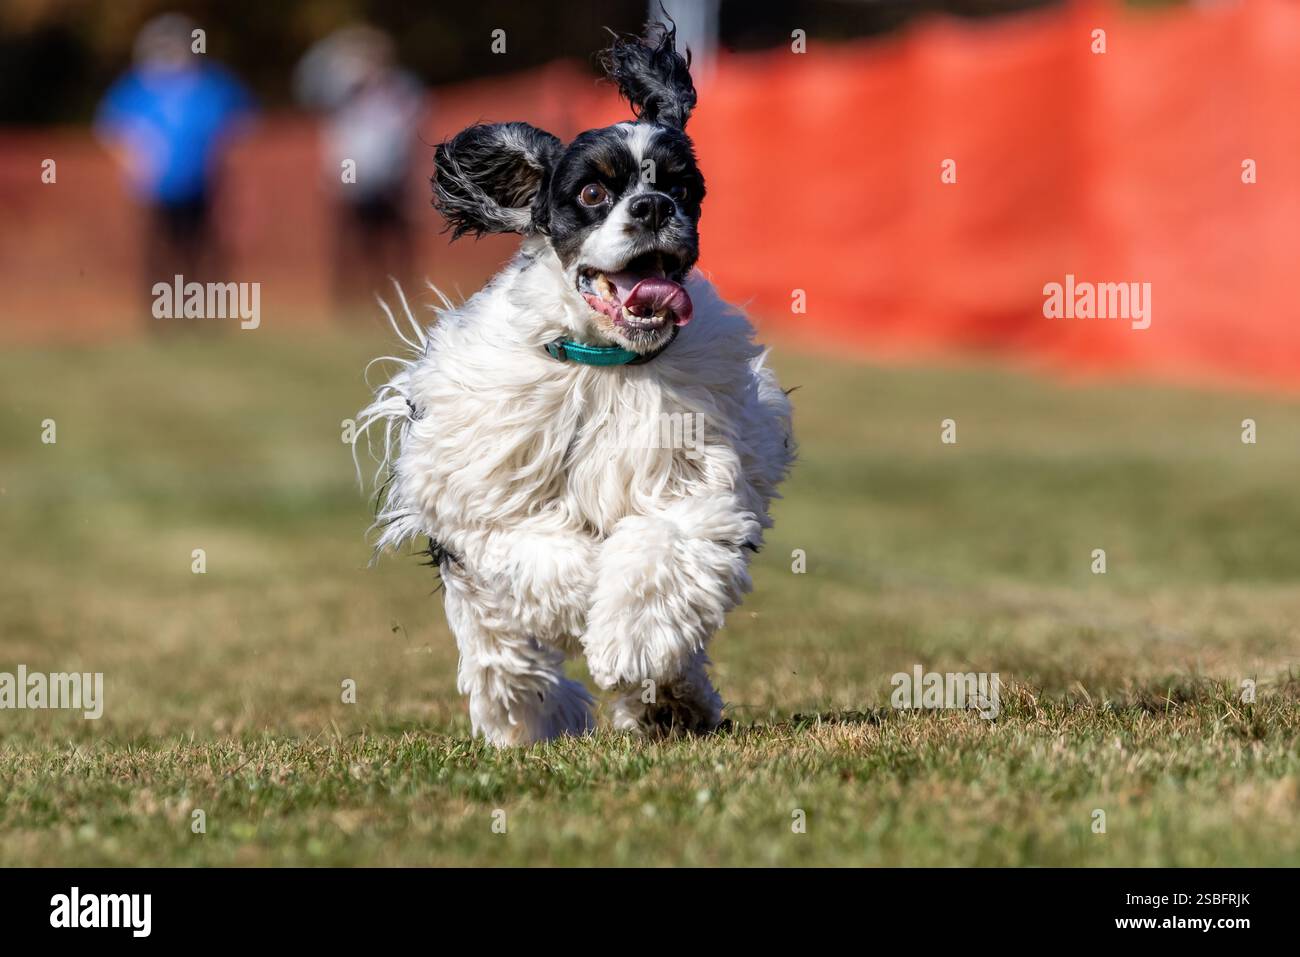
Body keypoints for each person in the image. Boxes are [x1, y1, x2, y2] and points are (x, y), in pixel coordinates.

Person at [96, 13, 254, 308]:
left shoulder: (211, 85)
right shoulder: (136, 88)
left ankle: (201, 311)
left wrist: (225, 157)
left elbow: (240, 123)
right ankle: (161, 312)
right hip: (156, 189)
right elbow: (112, 129)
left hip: (203, 183)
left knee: (200, 251)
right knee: (158, 253)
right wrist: (134, 161)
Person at [294, 25, 425, 311]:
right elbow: (305, 86)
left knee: (394, 244)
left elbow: (412, 131)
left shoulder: (400, 91)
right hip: (351, 181)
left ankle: (395, 299)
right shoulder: (339, 91)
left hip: (390, 179)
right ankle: (351, 301)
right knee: (352, 243)